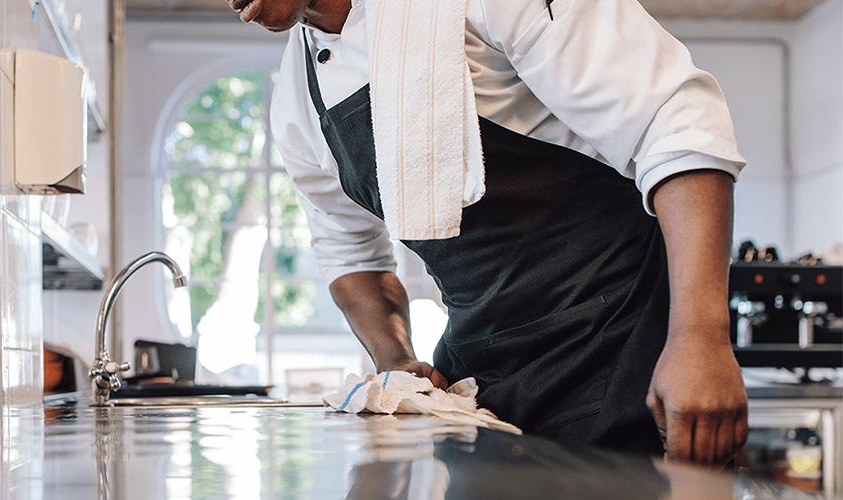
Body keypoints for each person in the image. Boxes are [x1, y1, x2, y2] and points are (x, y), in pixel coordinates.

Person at [226, 0, 749, 465]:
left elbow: (676, 126)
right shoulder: (296, 101)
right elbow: (350, 255)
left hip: (625, 350)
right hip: (482, 385)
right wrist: (396, 360)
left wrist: (699, 337)